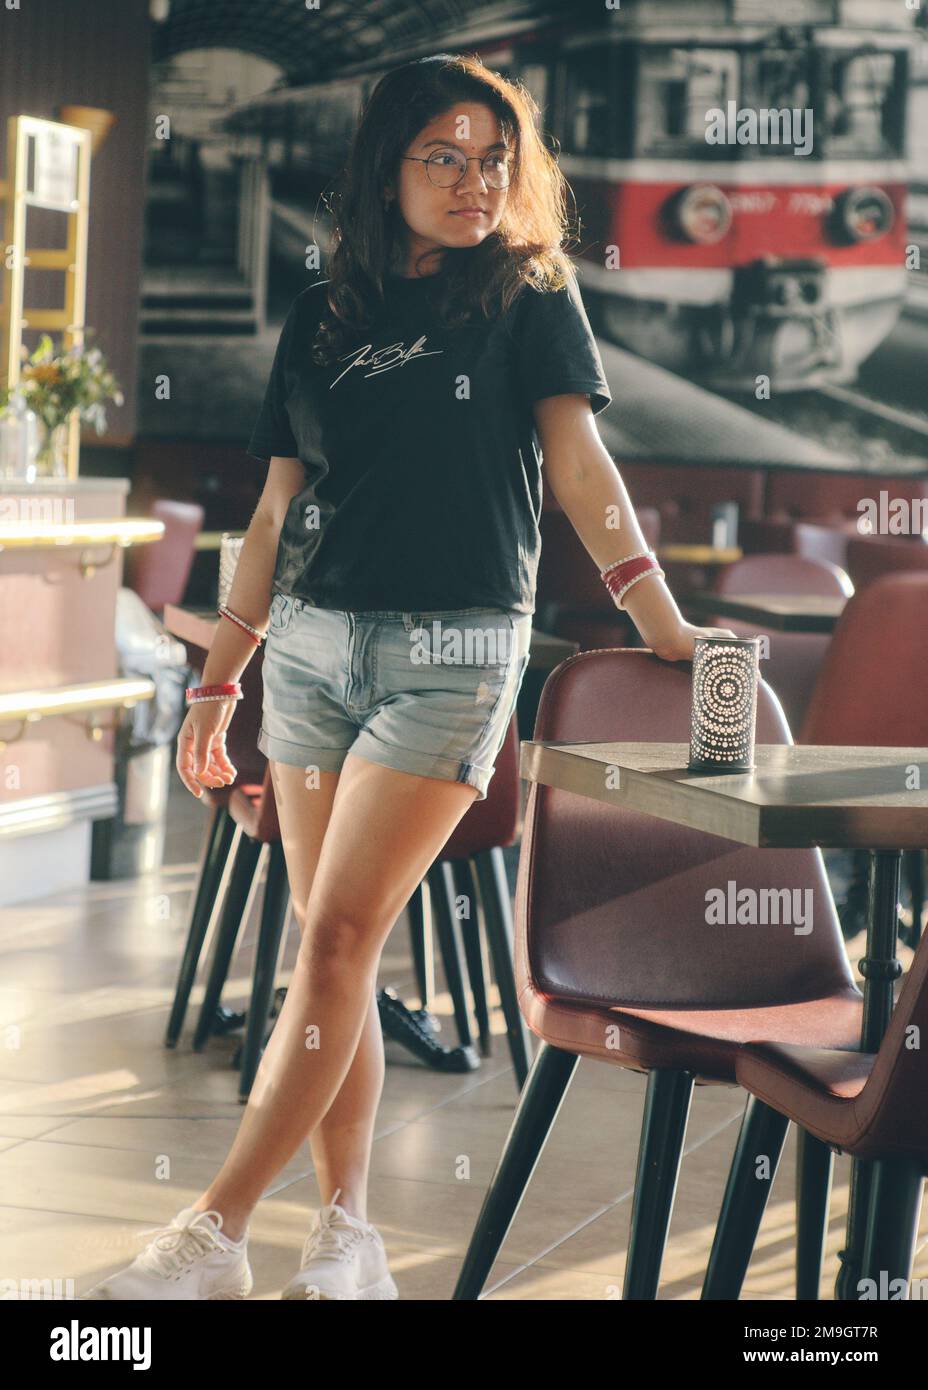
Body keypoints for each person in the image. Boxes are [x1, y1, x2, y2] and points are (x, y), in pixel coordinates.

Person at [85, 52, 733, 1301]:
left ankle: (213, 1234)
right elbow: (272, 515)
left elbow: (581, 469)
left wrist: (658, 618)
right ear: (388, 168)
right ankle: (349, 1238)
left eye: (494, 158)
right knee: (340, 955)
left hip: (452, 658)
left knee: (334, 936)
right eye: (445, 156)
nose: (475, 180)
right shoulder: (321, 312)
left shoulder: (529, 294)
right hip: (311, 655)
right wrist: (219, 682)